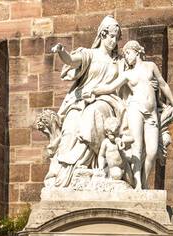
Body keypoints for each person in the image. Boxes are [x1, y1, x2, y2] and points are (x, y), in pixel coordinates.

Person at [44, 16, 124, 188]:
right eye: (111, 36)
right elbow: (71, 61)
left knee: (91, 114)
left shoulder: (119, 61)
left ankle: (84, 166)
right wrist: (61, 51)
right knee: (70, 125)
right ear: (102, 34)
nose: (114, 41)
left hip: (106, 102)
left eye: (117, 38)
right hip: (80, 101)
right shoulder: (90, 54)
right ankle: (63, 173)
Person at [100, 39, 173, 189]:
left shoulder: (151, 66)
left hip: (151, 113)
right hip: (135, 109)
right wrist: (93, 89)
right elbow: (110, 87)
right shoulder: (127, 74)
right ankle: (138, 185)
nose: (127, 57)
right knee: (137, 148)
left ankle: (144, 179)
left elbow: (162, 84)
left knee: (152, 151)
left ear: (136, 51)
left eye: (128, 53)